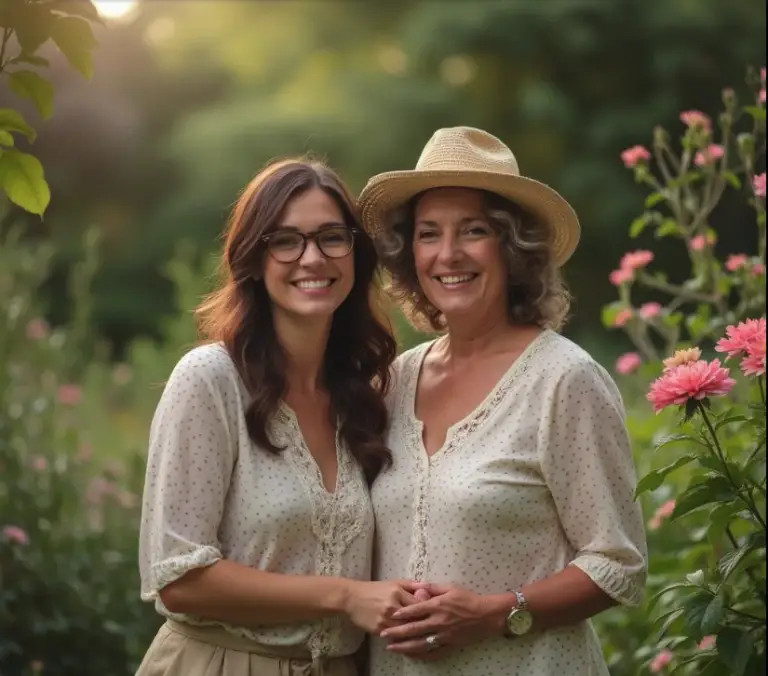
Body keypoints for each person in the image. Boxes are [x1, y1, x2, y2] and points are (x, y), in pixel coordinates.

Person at [357, 127, 648, 676]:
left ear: (513, 247)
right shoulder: (394, 381)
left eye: (474, 231)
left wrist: (493, 613)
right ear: (408, 252)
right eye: (428, 234)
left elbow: (618, 563)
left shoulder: (565, 380)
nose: (448, 254)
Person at [136, 158, 427, 676]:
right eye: (286, 241)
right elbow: (177, 578)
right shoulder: (210, 380)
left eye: (331, 237)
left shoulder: (366, 394)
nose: (312, 258)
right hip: (221, 664)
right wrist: (345, 596)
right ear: (253, 258)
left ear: (356, 254)